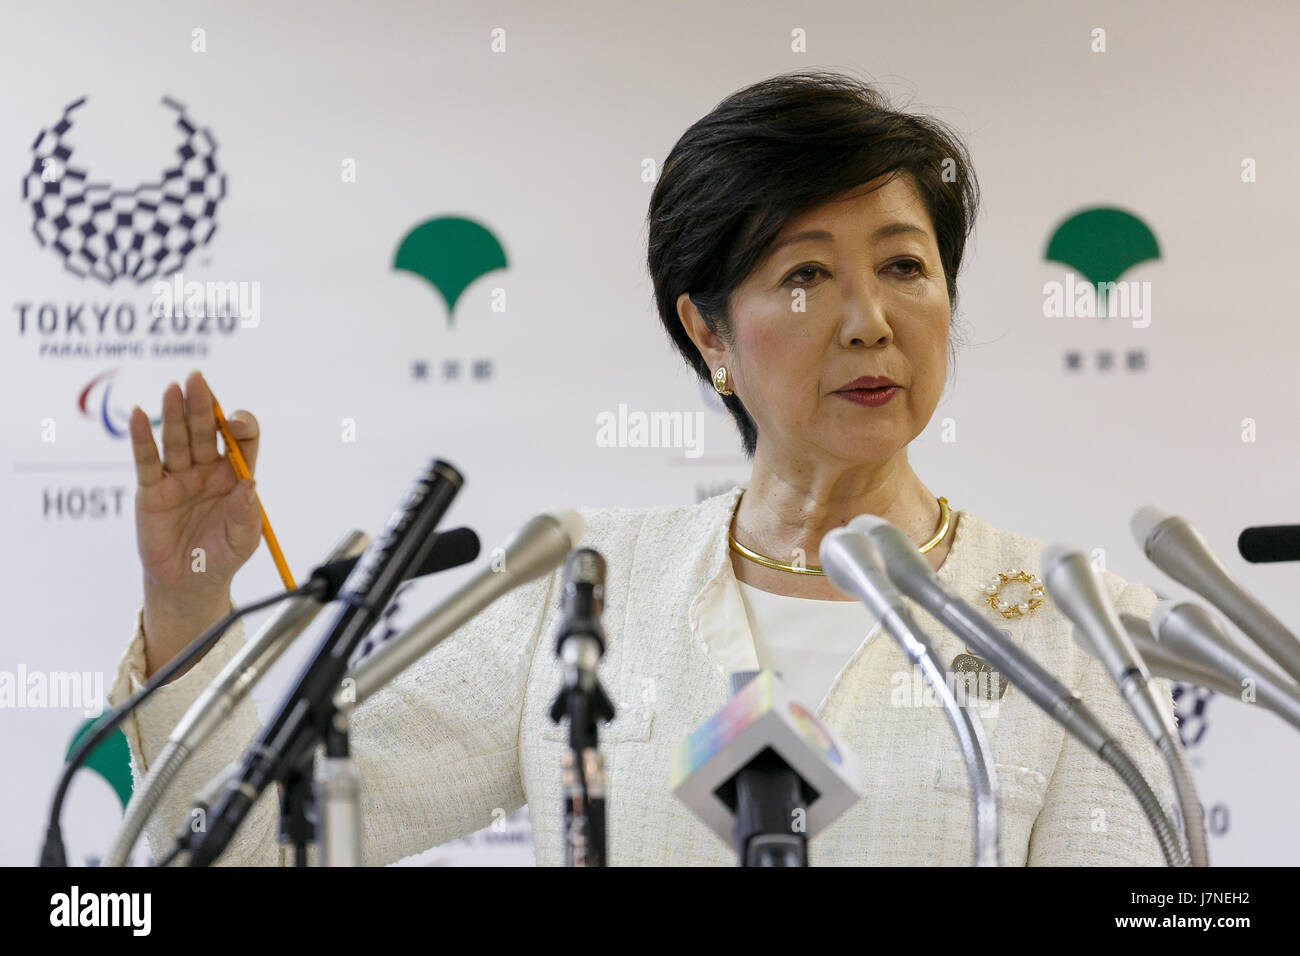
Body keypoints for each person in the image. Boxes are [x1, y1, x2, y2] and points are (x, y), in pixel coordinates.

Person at [108, 70, 1177, 866]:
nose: (867, 321)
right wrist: (188, 590)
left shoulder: (1072, 622)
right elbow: (248, 848)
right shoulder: (580, 584)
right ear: (708, 334)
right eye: (806, 274)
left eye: (905, 265)